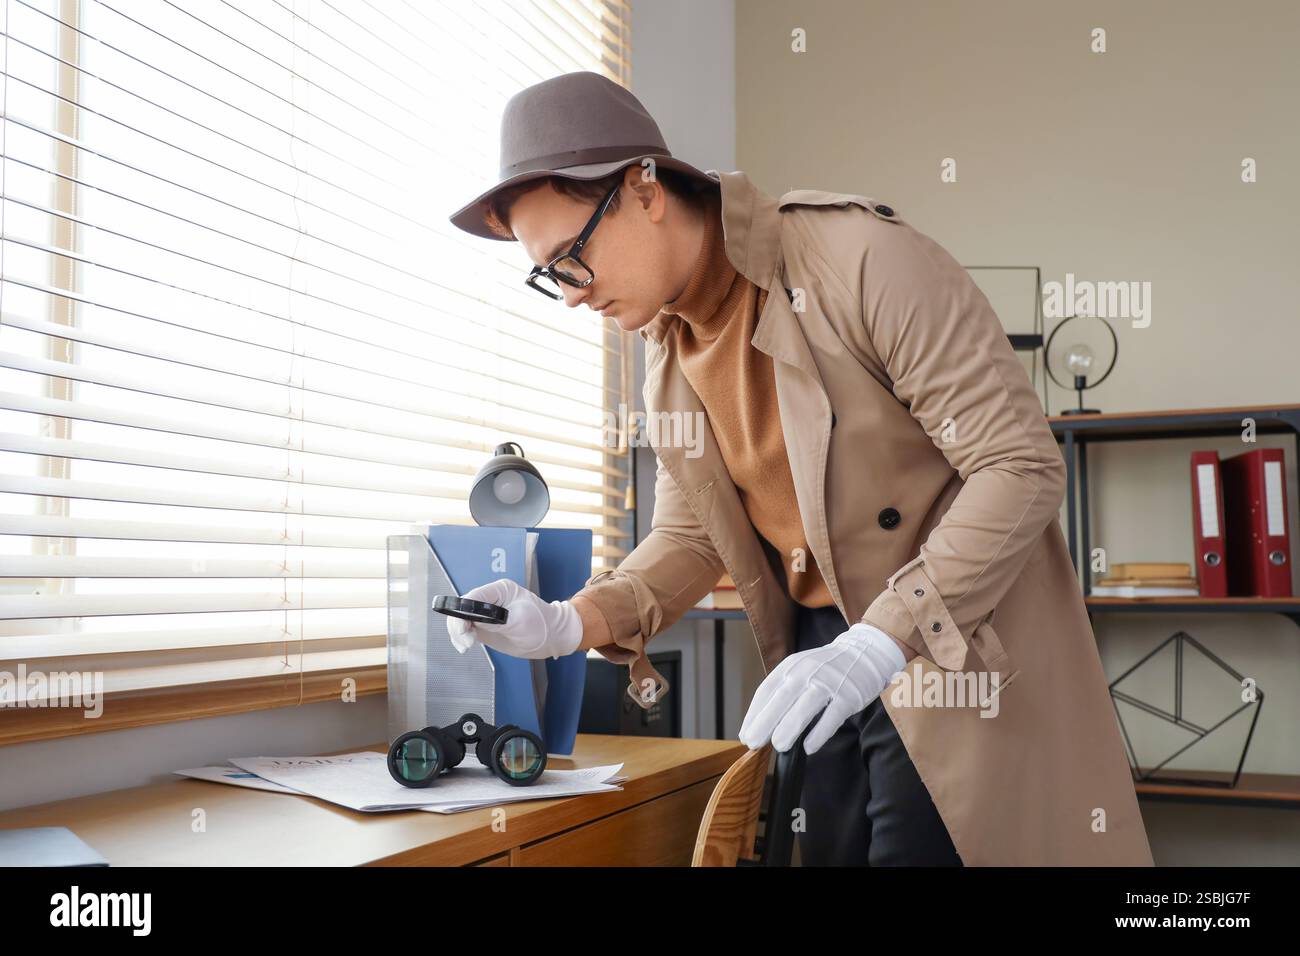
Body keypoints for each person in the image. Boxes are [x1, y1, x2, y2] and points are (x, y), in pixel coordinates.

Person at [445, 71, 1154, 867]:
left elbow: (1018, 465)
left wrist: (883, 640)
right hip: (820, 662)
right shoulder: (668, 353)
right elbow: (689, 533)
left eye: (572, 258)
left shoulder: (861, 260)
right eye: (550, 277)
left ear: (643, 188)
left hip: (948, 644)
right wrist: (571, 622)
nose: (572, 297)